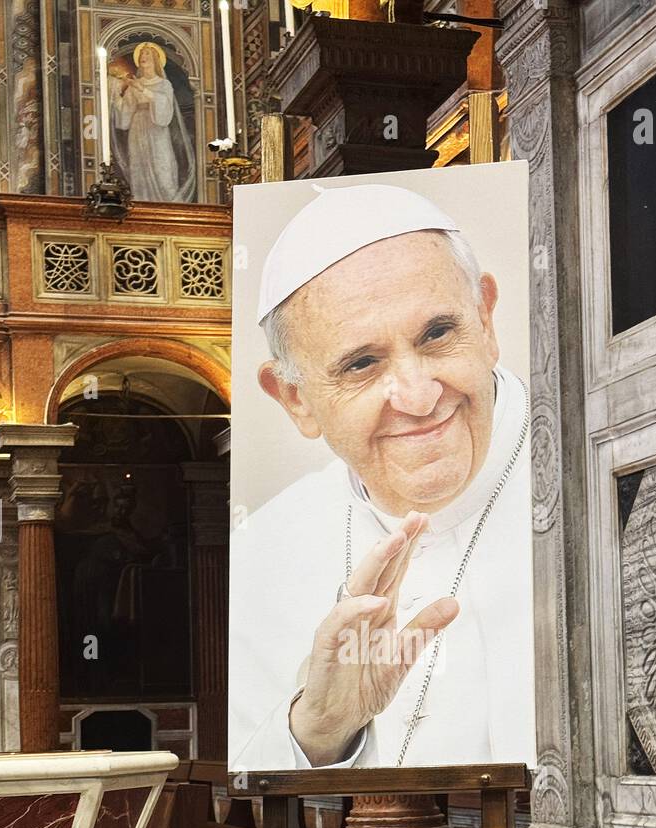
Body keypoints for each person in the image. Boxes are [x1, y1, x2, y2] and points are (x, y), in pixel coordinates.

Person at [229, 181, 535, 770]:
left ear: (487, 320)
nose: (418, 398)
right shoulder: (262, 551)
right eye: (363, 364)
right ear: (295, 399)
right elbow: (243, 808)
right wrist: (320, 730)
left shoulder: (613, 475)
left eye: (438, 334)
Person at [111, 42, 195, 203]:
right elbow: (125, 115)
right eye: (142, 54)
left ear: (155, 59)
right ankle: (142, 206)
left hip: (157, 130)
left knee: (162, 168)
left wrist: (142, 89)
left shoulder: (164, 84)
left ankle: (169, 206)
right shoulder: (134, 84)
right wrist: (115, 95)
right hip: (137, 130)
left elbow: (165, 109)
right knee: (139, 169)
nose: (143, 57)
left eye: (147, 54)